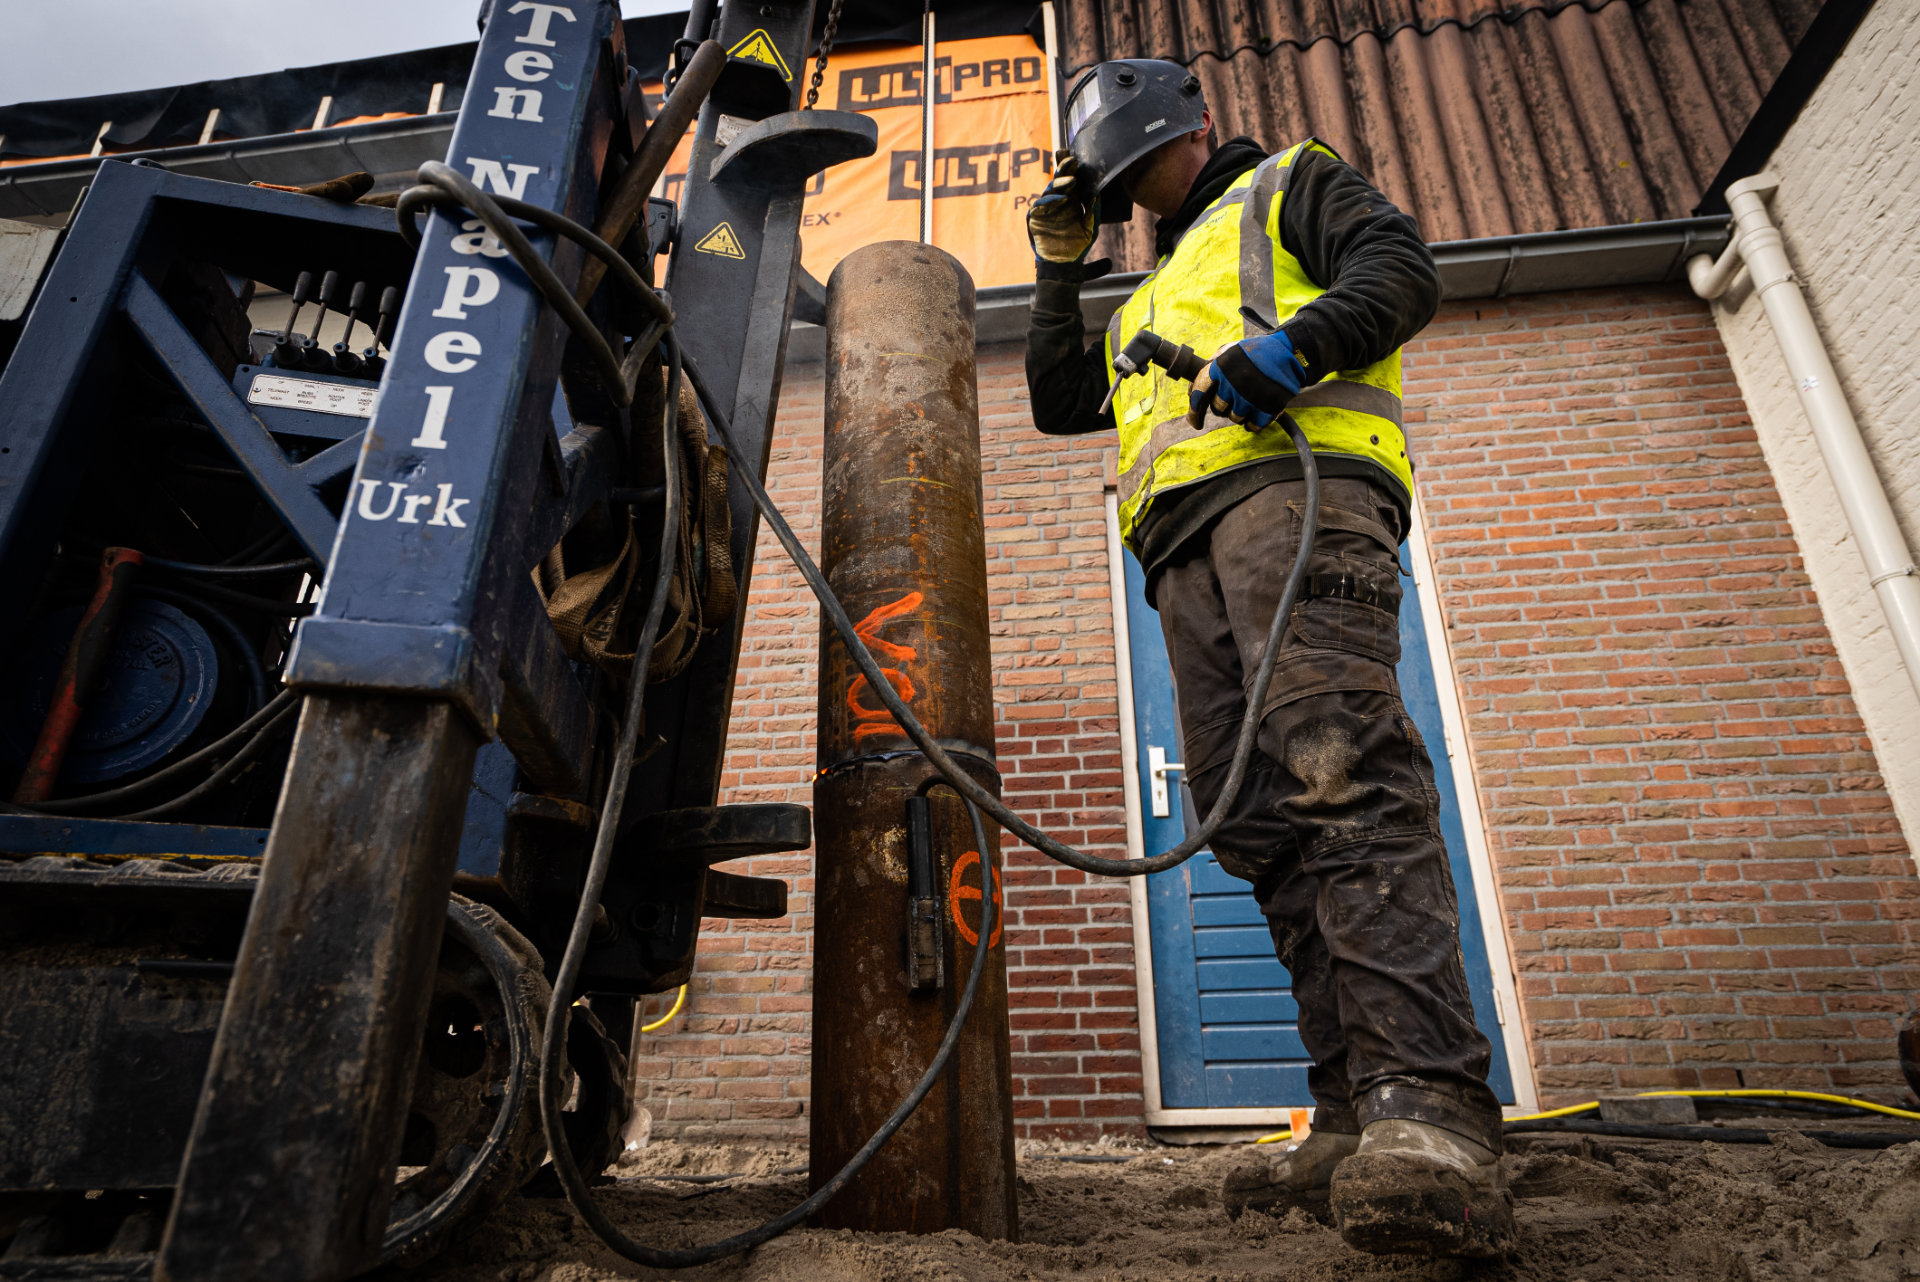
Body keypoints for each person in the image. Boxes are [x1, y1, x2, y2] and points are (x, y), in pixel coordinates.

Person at [1024, 60, 1515, 1258]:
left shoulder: (1291, 184)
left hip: (1300, 503)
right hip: (1183, 549)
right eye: (1119, 179)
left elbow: (1401, 276)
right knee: (1250, 817)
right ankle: (1352, 1111)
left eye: (1144, 164)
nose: (1138, 187)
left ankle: (1432, 1106)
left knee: (1336, 770)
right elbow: (1054, 397)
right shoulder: (1150, 292)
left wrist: (1290, 352)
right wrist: (1057, 269)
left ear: (1197, 127)